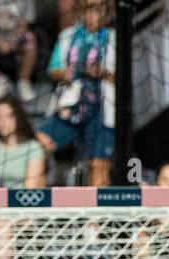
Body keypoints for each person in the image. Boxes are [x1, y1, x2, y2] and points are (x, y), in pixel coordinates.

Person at [40, 0, 115, 187]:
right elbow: (53, 70)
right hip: (72, 104)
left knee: (98, 167)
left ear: (106, 12)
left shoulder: (114, 38)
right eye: (89, 10)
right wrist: (64, 74)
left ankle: (97, 217)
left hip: (102, 110)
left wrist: (103, 73)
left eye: (98, 10)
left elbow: (126, 79)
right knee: (38, 143)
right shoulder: (68, 36)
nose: (93, 15)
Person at [0, 94, 45, 189]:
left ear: (18, 118)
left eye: (9, 116)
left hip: (21, 201)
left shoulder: (33, 147)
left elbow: (30, 189)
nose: (3, 122)